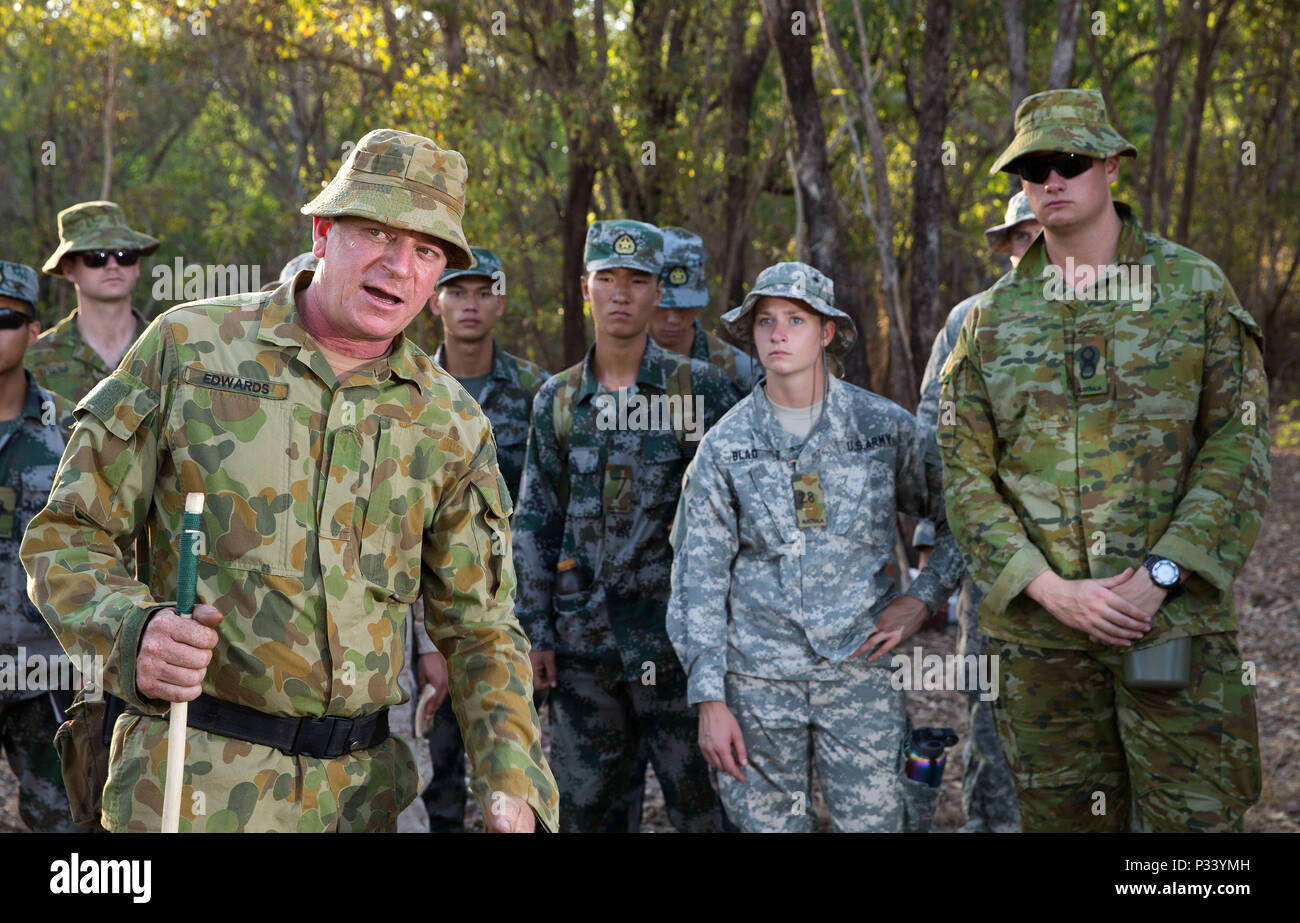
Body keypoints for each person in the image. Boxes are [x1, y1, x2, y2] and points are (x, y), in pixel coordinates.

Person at [21, 128, 558, 833]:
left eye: (426, 250)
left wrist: (510, 783)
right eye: (376, 233)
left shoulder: (450, 420)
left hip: (360, 802)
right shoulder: (191, 351)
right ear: (322, 231)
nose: (398, 266)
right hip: (194, 788)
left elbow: (483, 630)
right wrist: (132, 631)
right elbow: (65, 535)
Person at [939, 89, 1269, 833]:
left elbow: (1239, 443)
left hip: (1171, 627)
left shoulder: (1195, 292)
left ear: (1112, 167)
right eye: (1032, 166)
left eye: (1070, 161)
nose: (1050, 179)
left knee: (1191, 845)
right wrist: (1049, 589)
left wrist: (1162, 575)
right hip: (1042, 644)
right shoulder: (989, 323)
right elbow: (964, 473)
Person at [667, 261, 963, 832]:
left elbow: (966, 516)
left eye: (795, 320)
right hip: (756, 681)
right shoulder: (725, 447)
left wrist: (924, 597)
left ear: (827, 332)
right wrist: (709, 699)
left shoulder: (883, 429)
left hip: (860, 671)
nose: (778, 334)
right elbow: (697, 578)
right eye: (766, 322)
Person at [513, 219, 738, 833]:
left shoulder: (702, 390)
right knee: (585, 814)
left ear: (658, 291)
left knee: (703, 810)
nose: (620, 293)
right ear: (584, 288)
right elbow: (535, 520)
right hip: (583, 653)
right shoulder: (556, 400)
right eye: (605, 278)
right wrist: (536, 631)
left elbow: (735, 519)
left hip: (677, 650)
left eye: (636, 280)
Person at [913, 190, 1039, 833]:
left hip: (1093, 569)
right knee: (991, 715)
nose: (1031, 248)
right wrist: (932, 539)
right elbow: (933, 438)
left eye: (1041, 233)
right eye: (1019, 237)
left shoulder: (1110, 314)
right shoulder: (970, 321)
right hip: (994, 569)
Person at [420, 246, 550, 832]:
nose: (469, 305)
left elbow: (551, 506)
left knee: (518, 772)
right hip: (433, 608)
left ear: (500, 300)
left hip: (515, 611)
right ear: (434, 301)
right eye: (456, 291)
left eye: (483, 291)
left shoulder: (534, 390)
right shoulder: (408, 384)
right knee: (436, 772)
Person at [0, 261, 84, 832]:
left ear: (35, 331)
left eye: (6, 317)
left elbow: (96, 543)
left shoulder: (67, 430)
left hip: (43, 672)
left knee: (67, 826)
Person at [28, 200, 160, 404]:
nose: (113, 265)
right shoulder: (33, 361)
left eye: (124, 255)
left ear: (137, 266)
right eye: (96, 257)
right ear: (69, 269)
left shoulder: (166, 350)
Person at [649, 227, 760, 393]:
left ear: (699, 304)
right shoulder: (614, 361)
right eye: (662, 306)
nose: (673, 319)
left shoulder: (740, 373)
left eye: (684, 306)